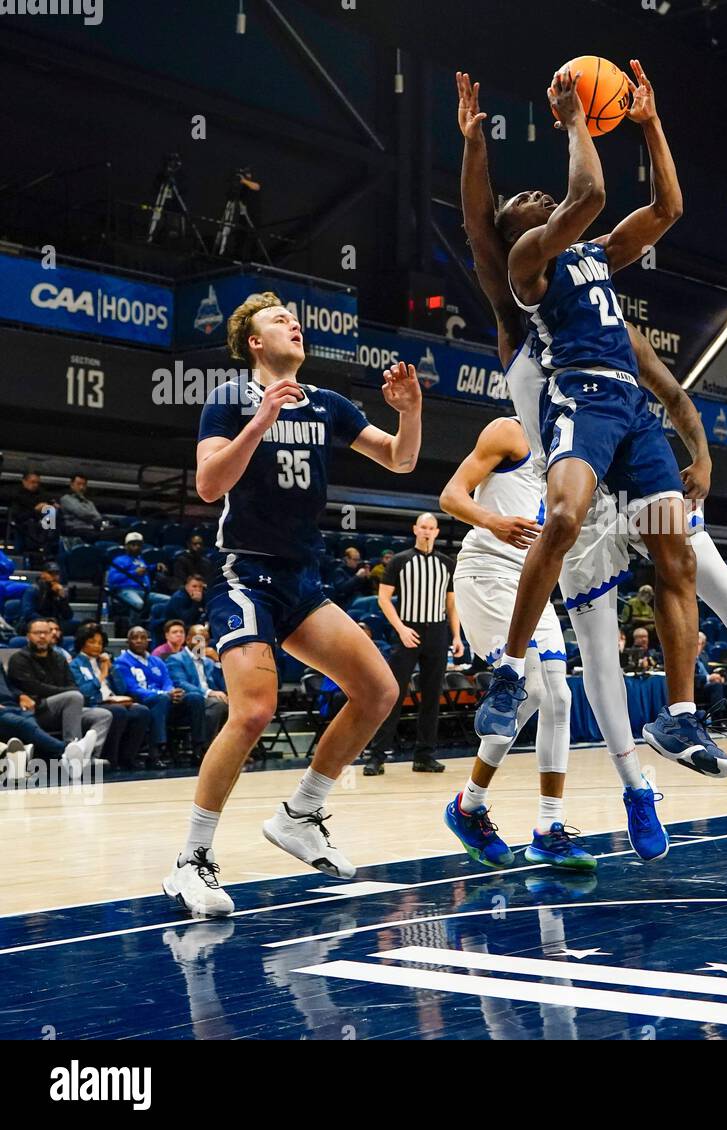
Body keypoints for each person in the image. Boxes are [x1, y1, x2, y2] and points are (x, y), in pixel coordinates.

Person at [471, 62, 727, 783]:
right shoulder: (529, 261)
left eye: (534, 191)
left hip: (636, 414)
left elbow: (668, 208)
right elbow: (588, 193)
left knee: (675, 557)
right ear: (516, 227)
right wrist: (576, 118)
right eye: (520, 197)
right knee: (562, 518)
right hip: (579, 396)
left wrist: (648, 124)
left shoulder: (595, 255)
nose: (532, 194)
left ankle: (678, 716)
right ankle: (509, 672)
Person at [163, 289, 421, 917]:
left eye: (296, 319)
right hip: (243, 572)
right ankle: (189, 862)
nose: (294, 325)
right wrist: (259, 421)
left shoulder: (329, 406)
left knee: (379, 690)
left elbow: (401, 459)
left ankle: (300, 814)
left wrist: (411, 411)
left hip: (301, 578)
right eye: (279, 320)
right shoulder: (228, 401)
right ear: (254, 341)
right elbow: (207, 483)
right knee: (252, 713)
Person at [439, 418, 587, 867]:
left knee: (559, 697)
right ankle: (467, 808)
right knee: (537, 690)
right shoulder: (509, 431)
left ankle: (547, 828)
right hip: (487, 572)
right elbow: (450, 496)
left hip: (534, 585)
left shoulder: (576, 447)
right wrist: (494, 521)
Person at [365, 513, 462, 775]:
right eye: (423, 527)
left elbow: (451, 603)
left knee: (432, 696)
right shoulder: (400, 560)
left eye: (431, 528)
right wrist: (401, 628)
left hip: (438, 632)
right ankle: (377, 755)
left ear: (437, 532)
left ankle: (424, 755)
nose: (427, 531)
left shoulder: (447, 563)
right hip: (408, 629)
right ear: (414, 529)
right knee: (393, 694)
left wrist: (456, 636)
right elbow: (383, 599)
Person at [7, 617, 112, 761]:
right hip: (38, 710)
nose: (42, 636)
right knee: (73, 697)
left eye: (46, 632)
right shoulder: (18, 659)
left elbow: (72, 685)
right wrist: (66, 692)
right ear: (28, 636)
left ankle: (90, 758)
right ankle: (72, 754)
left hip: (66, 710)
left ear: (51, 635)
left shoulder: (58, 658)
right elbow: (35, 688)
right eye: (37, 633)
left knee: (103, 715)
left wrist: (68, 692)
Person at [113, 624, 208, 763]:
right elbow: (132, 688)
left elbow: (167, 681)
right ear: (128, 642)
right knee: (161, 699)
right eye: (135, 638)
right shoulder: (122, 662)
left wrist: (170, 691)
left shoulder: (156, 661)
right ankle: (156, 751)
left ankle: (198, 748)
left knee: (195, 697)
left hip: (165, 698)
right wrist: (163, 693)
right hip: (143, 700)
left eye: (143, 637)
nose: (139, 640)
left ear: (148, 641)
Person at [69, 623, 151, 770]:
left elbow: (122, 688)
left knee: (141, 711)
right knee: (118, 712)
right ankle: (110, 758)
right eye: (92, 642)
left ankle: (128, 757)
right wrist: (102, 675)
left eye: (100, 643)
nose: (97, 646)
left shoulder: (103, 662)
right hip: (94, 704)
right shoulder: (75, 665)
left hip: (114, 700)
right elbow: (85, 692)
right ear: (82, 643)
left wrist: (112, 669)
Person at [0, 658, 93, 777]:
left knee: (31, 722)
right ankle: (69, 751)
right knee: (24, 724)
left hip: (14, 705)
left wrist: (21, 695)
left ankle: (67, 759)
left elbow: (9, 686)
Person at [166, 629, 229, 757]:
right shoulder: (176, 659)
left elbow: (222, 686)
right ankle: (206, 748)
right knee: (218, 704)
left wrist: (217, 662)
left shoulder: (208, 662)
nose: (202, 642)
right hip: (187, 702)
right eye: (198, 638)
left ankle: (229, 750)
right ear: (188, 640)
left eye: (205, 639)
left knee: (233, 704)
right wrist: (208, 692)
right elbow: (181, 683)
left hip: (210, 700)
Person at [108, 532, 169, 621]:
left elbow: (144, 569)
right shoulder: (119, 560)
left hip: (144, 591)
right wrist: (134, 573)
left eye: (139, 545)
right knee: (138, 603)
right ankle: (134, 627)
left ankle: (152, 623)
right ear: (126, 546)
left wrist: (155, 566)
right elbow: (112, 579)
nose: (136, 547)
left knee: (169, 600)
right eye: (133, 545)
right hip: (125, 590)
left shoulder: (140, 559)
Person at [7, 469, 59, 561]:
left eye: (37, 483)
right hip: (25, 525)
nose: (35, 485)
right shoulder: (17, 496)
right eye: (32, 482)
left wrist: (52, 505)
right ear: (24, 481)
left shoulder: (41, 494)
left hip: (42, 525)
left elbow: (50, 501)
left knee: (52, 512)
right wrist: (35, 510)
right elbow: (18, 517)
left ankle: (48, 548)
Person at [19, 564, 75, 634]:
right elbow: (28, 613)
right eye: (51, 574)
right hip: (35, 622)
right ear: (43, 574)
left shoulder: (59, 590)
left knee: (76, 625)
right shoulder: (33, 590)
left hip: (55, 623)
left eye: (57, 574)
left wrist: (62, 598)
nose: (54, 577)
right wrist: (47, 621)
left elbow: (68, 616)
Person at [59, 473, 111, 542]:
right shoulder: (66, 499)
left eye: (84, 485)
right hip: (75, 530)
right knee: (97, 535)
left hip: (92, 529)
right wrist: (92, 515)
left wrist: (93, 516)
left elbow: (98, 517)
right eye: (79, 484)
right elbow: (81, 513)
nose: (81, 487)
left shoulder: (89, 502)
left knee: (114, 530)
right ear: (72, 485)